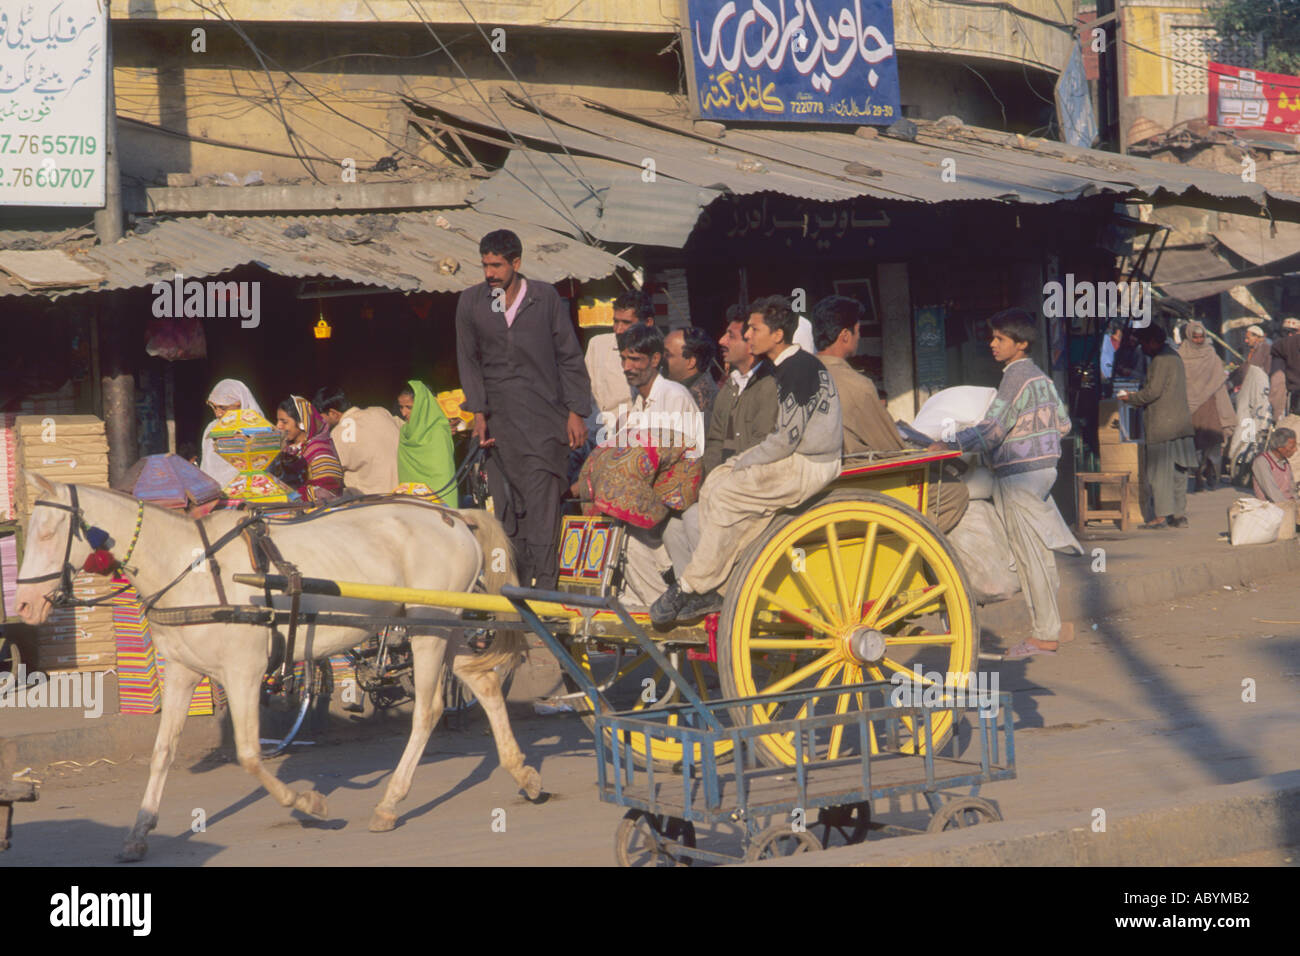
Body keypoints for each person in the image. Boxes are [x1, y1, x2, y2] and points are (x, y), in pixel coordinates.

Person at [652, 295, 842, 625]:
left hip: (809, 464)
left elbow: (786, 439)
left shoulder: (798, 369)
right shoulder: (788, 366)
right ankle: (722, 582)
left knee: (726, 490)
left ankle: (692, 584)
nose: (749, 335)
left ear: (777, 335)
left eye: (754, 329)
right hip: (795, 457)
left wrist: (746, 461)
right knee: (715, 485)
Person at [928, 308, 1080, 660]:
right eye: (993, 337)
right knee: (1039, 553)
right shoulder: (1041, 377)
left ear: (1021, 344)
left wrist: (951, 444)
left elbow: (993, 430)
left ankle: (1044, 636)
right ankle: (1050, 628)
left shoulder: (1015, 377)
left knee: (1030, 557)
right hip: (1042, 473)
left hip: (1019, 477)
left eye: (1000, 339)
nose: (992, 344)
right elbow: (1063, 423)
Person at [455, 228, 591, 589]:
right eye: (485, 265)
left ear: (516, 263)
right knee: (508, 513)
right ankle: (516, 591)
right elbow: (469, 362)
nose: (489, 273)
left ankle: (544, 594)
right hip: (500, 424)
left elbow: (569, 356)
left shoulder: (544, 298)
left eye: (497, 265)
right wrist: (479, 414)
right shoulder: (471, 302)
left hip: (546, 422)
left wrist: (577, 411)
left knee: (544, 510)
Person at [813, 295, 969, 533]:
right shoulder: (857, 385)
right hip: (856, 483)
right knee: (954, 490)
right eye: (857, 330)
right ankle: (921, 546)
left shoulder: (798, 377)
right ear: (845, 335)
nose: (860, 336)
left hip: (817, 481)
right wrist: (923, 453)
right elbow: (891, 450)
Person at [580, 323, 704, 607]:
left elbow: (674, 462)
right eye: (624, 359)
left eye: (635, 359)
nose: (627, 367)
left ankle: (655, 606)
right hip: (646, 497)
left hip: (673, 499)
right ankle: (638, 604)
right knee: (609, 525)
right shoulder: (638, 401)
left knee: (626, 537)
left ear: (656, 360)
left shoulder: (673, 396)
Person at [1116, 325, 1196, 530]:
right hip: (1180, 424)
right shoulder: (1174, 357)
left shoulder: (1160, 360)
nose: (1143, 347)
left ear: (1153, 341)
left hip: (1162, 425)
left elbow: (1152, 392)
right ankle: (1179, 515)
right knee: (1179, 472)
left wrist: (1130, 398)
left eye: (1144, 342)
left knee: (1159, 473)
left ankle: (1161, 516)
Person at [313, 386, 401, 496]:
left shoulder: (338, 434)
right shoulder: (381, 412)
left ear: (333, 413)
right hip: (403, 493)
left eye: (321, 417)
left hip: (374, 501)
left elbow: (325, 472)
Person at [1178, 321, 1235, 491]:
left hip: (1209, 405)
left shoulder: (1212, 355)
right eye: (1194, 337)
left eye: (1201, 337)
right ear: (1188, 336)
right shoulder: (1181, 355)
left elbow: (1218, 380)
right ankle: (1197, 475)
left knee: (1211, 442)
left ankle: (1210, 471)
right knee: (1194, 445)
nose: (1198, 340)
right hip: (1190, 407)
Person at [586, 289, 654, 416]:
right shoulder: (598, 345)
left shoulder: (657, 354)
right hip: (597, 429)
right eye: (616, 321)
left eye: (626, 323)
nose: (619, 330)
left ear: (648, 323)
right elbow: (584, 392)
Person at [395, 380, 459, 507]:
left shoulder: (439, 431)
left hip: (440, 500)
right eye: (401, 407)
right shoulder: (405, 432)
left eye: (409, 407)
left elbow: (442, 478)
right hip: (412, 501)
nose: (403, 413)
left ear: (422, 405)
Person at [271, 395, 345, 502]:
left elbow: (328, 490)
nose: (278, 426)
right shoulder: (288, 450)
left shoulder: (319, 450)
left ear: (302, 422)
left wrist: (290, 496)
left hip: (317, 514)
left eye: (284, 422)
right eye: (278, 421)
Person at [199, 379, 264, 486]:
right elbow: (206, 465)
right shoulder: (212, 428)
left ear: (239, 404)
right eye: (214, 407)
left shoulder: (257, 429)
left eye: (223, 408)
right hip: (214, 494)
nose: (218, 414)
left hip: (245, 493)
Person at [664, 326, 718, 423]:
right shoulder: (676, 388)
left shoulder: (701, 400)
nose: (660, 359)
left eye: (668, 355)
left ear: (691, 362)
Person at [1252, 427, 1298, 505]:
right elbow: (1273, 494)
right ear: (1280, 448)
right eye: (1292, 447)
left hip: (1289, 505)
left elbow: (1292, 490)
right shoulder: (1262, 462)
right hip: (1274, 508)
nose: (1295, 450)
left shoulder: (1285, 462)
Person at [1270, 317, 1300, 415]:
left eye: (1292, 332)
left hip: (1294, 395)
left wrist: (1277, 415)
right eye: (1286, 332)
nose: (1289, 335)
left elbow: (1277, 383)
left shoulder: (1281, 346)